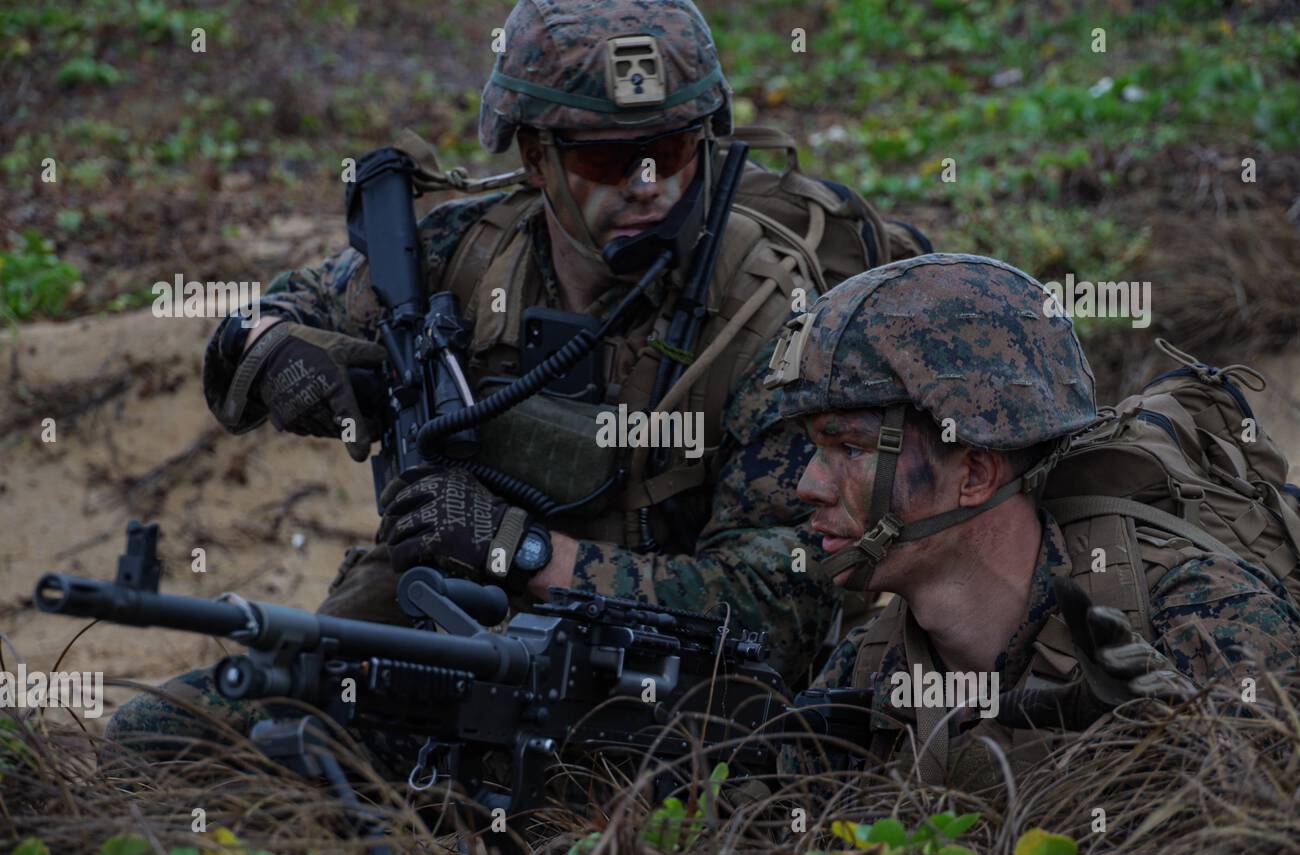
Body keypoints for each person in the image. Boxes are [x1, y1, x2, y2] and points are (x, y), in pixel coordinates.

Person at [107, 0, 930, 751]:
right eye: (611, 161)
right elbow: (261, 320)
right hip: (446, 634)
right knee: (159, 737)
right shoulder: (462, 253)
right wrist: (277, 353)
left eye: (673, 151)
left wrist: (525, 549)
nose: (651, 187)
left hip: (664, 697)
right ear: (536, 159)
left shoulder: (766, 314)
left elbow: (781, 605)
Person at [770, 252, 1300, 786]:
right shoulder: (861, 673)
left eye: (850, 448)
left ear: (974, 473)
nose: (809, 486)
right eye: (818, 449)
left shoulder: (1200, 615)